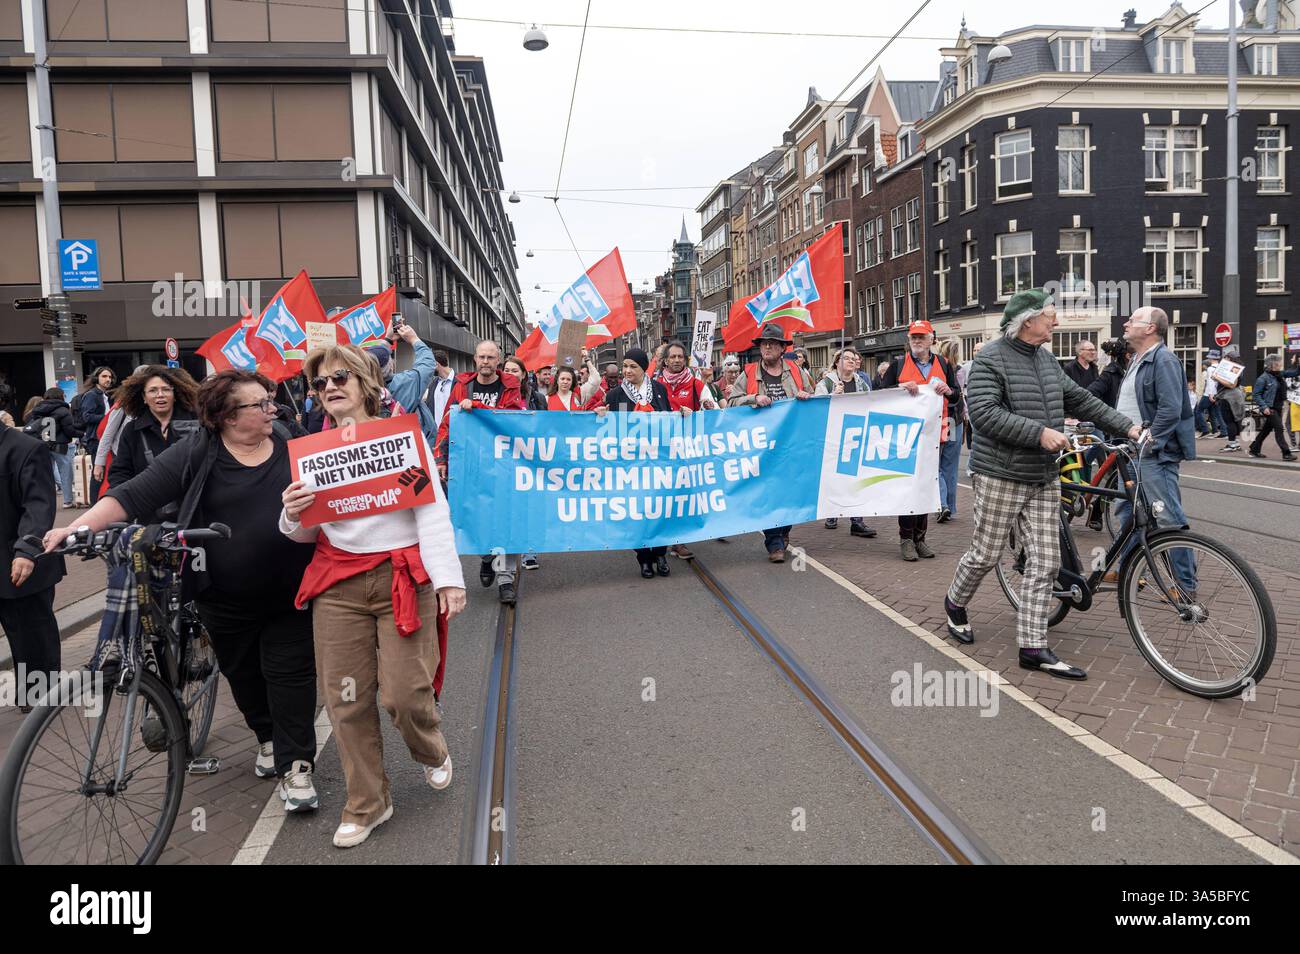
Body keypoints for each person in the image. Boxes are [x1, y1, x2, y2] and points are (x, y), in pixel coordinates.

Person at [45, 369, 321, 809]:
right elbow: (131, 495)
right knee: (244, 676)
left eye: (271, 402)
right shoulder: (197, 452)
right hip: (221, 595)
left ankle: (297, 768)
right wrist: (74, 529)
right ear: (229, 416)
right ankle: (266, 736)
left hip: (291, 591)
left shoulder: (292, 445)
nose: (272, 410)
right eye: (260, 404)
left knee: (291, 677)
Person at [280, 345, 464, 849]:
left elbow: (430, 510)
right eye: (320, 383)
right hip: (338, 585)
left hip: (404, 578)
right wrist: (293, 511)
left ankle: (429, 748)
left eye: (341, 377)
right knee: (346, 700)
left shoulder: (403, 438)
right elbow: (303, 533)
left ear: (364, 383)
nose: (331, 387)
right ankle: (368, 802)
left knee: (404, 694)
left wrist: (449, 578)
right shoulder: (311, 450)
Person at [945, 289, 1138, 679]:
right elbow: (983, 414)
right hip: (1001, 473)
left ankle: (1032, 646)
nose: (1057, 320)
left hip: (1044, 476)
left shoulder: (1047, 360)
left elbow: (1082, 401)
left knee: (1046, 562)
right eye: (1051, 314)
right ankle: (954, 603)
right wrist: (1039, 433)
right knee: (985, 553)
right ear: (1028, 320)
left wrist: (1129, 426)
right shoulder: (989, 359)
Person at [1103, 306, 1198, 594]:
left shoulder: (1163, 360)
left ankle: (1185, 585)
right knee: (1130, 514)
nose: (1126, 324)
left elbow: (1171, 409)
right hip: (1130, 451)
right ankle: (1127, 570)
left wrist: (1150, 441)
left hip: (1152, 454)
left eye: (1132, 320)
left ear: (1150, 328)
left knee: (1168, 516)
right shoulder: (1137, 359)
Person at [435, 339, 524, 603]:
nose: (486, 362)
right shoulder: (462, 386)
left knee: (505, 519)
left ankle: (506, 578)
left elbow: (510, 420)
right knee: (475, 518)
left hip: (502, 465)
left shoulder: (510, 385)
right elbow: (446, 423)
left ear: (498, 361)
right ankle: (486, 556)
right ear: (475, 359)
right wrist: (441, 458)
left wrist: (478, 408)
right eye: (481, 357)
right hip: (469, 467)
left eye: (491, 358)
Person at [727, 325, 814, 563]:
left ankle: (784, 530)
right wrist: (753, 398)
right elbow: (731, 403)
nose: (766, 347)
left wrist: (807, 397)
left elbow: (814, 401)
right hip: (761, 446)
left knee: (790, 492)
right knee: (767, 493)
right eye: (763, 343)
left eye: (772, 343)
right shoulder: (748, 374)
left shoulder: (797, 372)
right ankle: (774, 542)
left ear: (782, 348)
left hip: (790, 444)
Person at [877, 321, 960, 560]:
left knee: (926, 485)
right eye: (913, 337)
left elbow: (956, 395)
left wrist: (949, 391)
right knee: (909, 486)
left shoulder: (944, 364)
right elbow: (881, 394)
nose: (917, 341)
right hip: (905, 436)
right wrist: (900, 386)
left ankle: (920, 538)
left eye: (921, 337)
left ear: (932, 339)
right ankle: (906, 539)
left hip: (936, 433)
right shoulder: (899, 364)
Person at [595, 347, 682, 578]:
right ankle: (643, 557)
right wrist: (599, 415)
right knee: (638, 511)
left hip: (658, 462)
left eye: (633, 366)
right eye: (625, 366)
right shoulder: (615, 396)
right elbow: (605, 427)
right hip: (631, 465)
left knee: (661, 508)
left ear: (644, 368)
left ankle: (661, 553)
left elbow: (672, 418)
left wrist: (684, 413)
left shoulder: (660, 390)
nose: (627, 370)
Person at [2, 422, 65, 710]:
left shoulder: (27, 448)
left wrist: (27, 549)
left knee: (32, 637)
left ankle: (40, 700)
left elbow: (39, 506)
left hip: (21, 561)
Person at [107, 366, 200, 511]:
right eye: (153, 390)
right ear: (144, 397)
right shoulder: (132, 431)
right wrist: (126, 504)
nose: (160, 395)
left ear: (175, 394)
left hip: (194, 511)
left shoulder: (198, 425)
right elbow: (120, 473)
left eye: (166, 389)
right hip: (150, 515)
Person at [816, 347, 877, 538]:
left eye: (854, 359)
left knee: (855, 479)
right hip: (833, 437)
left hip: (855, 436)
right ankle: (832, 513)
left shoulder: (862, 384)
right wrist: (833, 397)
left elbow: (871, 405)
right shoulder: (826, 383)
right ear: (837, 362)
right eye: (847, 358)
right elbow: (817, 408)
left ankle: (856, 521)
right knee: (834, 477)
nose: (852, 361)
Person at [365, 321, 438, 445]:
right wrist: (414, 339)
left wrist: (388, 339)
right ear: (390, 365)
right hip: (416, 447)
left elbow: (374, 360)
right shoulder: (406, 382)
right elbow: (427, 363)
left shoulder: (358, 390)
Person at [24, 388, 80, 510]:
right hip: (59, 446)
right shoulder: (63, 410)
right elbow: (69, 430)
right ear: (61, 396)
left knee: (46, 474)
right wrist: (82, 433)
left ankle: (45, 502)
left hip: (42, 445)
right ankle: (67, 501)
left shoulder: (37, 409)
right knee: (65, 473)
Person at [1249, 353, 1299, 461]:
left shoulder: (1279, 374)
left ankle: (1254, 449)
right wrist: (1264, 407)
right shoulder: (1263, 378)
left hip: (1278, 407)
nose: (1281, 363)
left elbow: (1295, 372)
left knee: (1266, 430)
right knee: (1279, 428)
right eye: (1279, 362)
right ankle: (1286, 453)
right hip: (1269, 408)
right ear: (1273, 364)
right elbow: (1256, 394)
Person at [1195, 351, 1227, 439]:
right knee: (1216, 412)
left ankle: (1205, 430)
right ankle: (1223, 431)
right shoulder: (1221, 367)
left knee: (1198, 410)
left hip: (1209, 393)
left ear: (1211, 358)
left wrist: (1210, 394)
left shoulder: (1210, 369)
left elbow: (1211, 382)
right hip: (1219, 393)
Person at [425, 349, 456, 431]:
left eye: (428, 365)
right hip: (437, 436)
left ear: (436, 364)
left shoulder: (460, 382)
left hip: (454, 434)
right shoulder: (433, 384)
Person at [1214, 374, 1245, 452]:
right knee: (1235, 421)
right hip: (1235, 395)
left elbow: (1232, 385)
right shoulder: (1238, 370)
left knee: (1230, 421)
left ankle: (1232, 445)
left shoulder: (1230, 369)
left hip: (1229, 397)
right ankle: (1236, 443)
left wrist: (1217, 377)